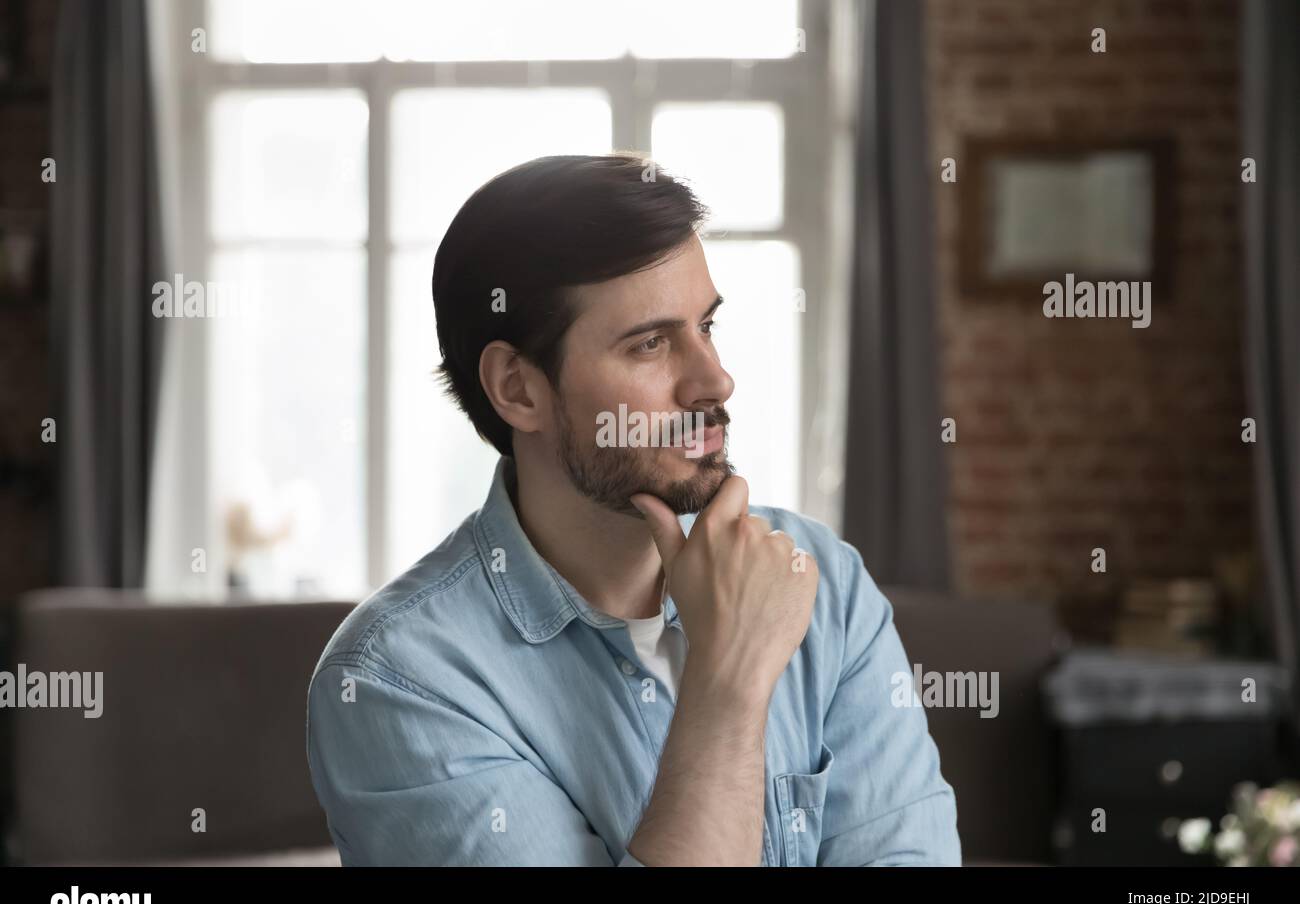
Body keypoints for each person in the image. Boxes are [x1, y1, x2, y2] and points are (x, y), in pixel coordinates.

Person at [306, 153, 961, 866]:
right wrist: (729, 682)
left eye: (706, 326)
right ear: (518, 389)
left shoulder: (819, 582)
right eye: (650, 343)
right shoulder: (400, 679)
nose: (715, 379)